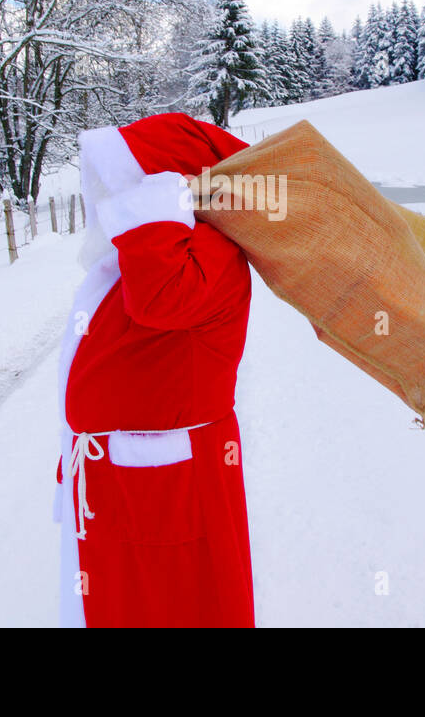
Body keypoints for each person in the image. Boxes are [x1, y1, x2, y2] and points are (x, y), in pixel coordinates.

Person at [53, 112, 255, 627]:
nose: (105, 200)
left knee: (177, 605)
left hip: (167, 486)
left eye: (117, 182)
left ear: (165, 187)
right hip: (129, 481)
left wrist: (155, 202)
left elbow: (158, 301)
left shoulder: (205, 252)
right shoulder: (157, 250)